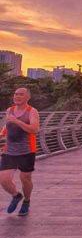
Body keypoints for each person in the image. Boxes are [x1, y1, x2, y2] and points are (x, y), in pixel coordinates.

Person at [1, 88, 40, 216]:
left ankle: (26, 201)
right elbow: (7, 125)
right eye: (16, 94)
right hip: (9, 150)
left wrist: (17, 121)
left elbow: (34, 129)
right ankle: (16, 195)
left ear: (27, 97)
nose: (17, 96)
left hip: (26, 151)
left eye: (21, 94)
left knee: (25, 179)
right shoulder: (10, 110)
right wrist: (2, 134)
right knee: (3, 179)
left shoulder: (32, 111)